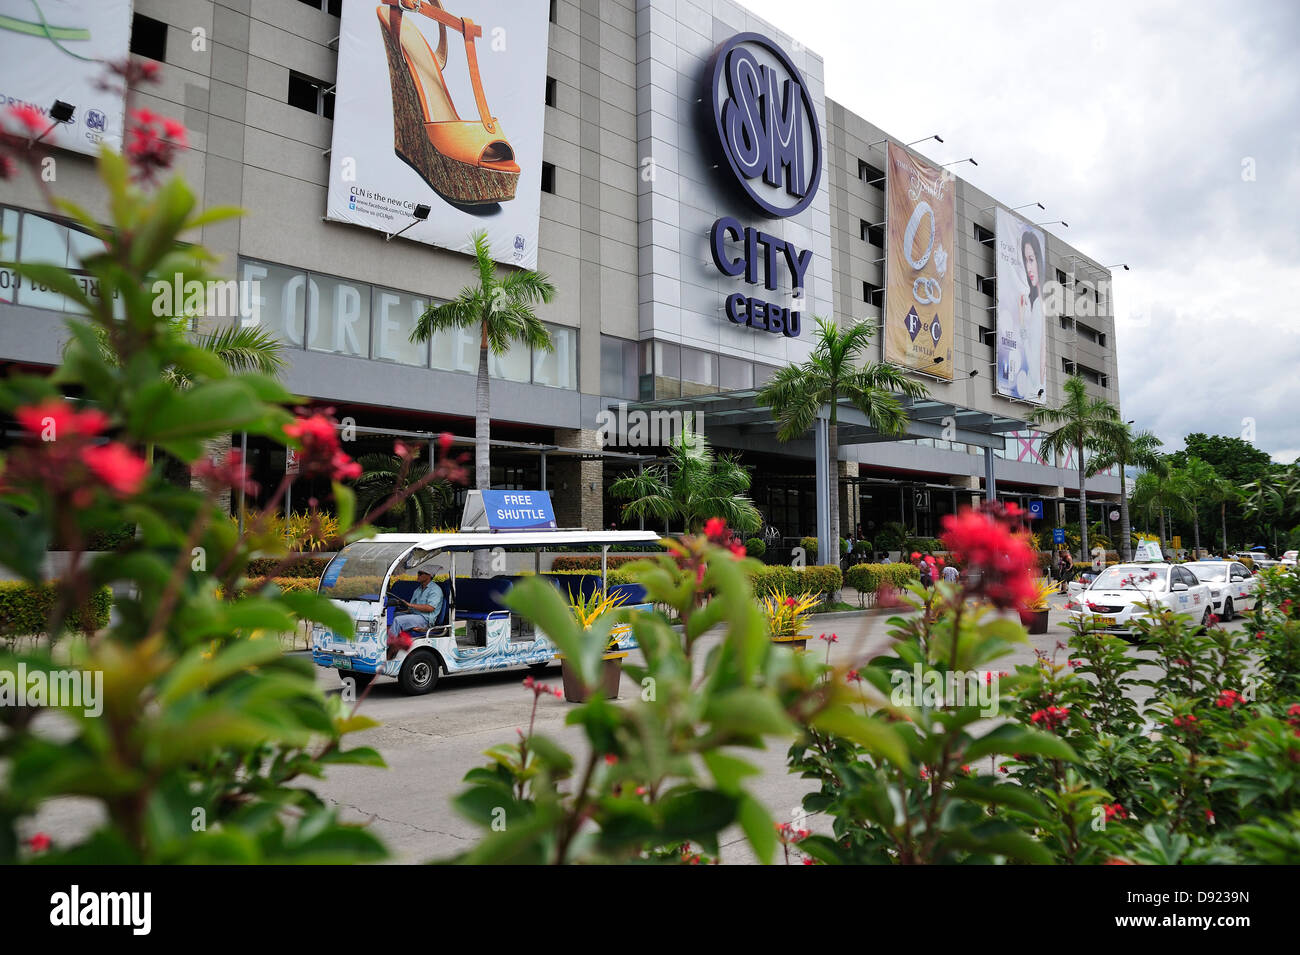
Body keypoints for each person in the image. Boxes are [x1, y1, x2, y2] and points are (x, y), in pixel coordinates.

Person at [389, 567, 445, 641]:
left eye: (420, 573)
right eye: (418, 573)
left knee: (398, 620)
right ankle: (392, 639)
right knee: (390, 616)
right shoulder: (418, 589)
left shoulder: (435, 590)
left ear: (429, 576)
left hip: (425, 619)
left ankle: (388, 646)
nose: (418, 575)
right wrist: (403, 605)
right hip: (415, 616)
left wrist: (409, 605)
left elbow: (430, 608)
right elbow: (411, 607)